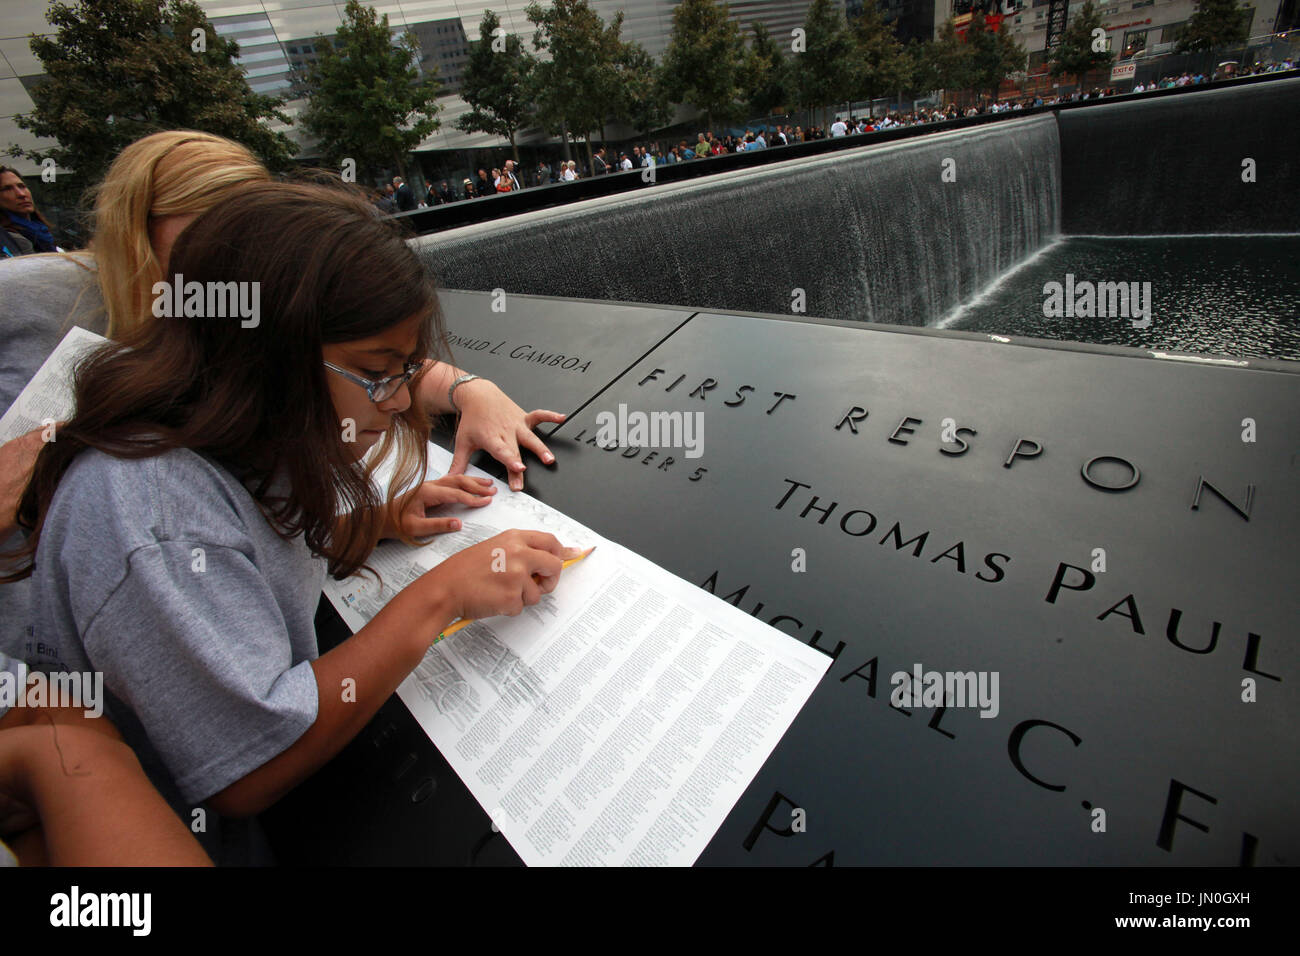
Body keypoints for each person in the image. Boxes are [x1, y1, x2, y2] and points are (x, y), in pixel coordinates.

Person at [4, 182, 584, 865]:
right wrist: (442, 596)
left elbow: (243, 555)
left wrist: (374, 521)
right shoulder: (152, 510)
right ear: (265, 358)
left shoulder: (236, 434)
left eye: (405, 370)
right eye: (375, 373)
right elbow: (245, 769)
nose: (398, 400)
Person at [0, 166, 58, 258]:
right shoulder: (7, 239)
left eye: (21, 186)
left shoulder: (41, 232)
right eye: (7, 189)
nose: (21, 194)